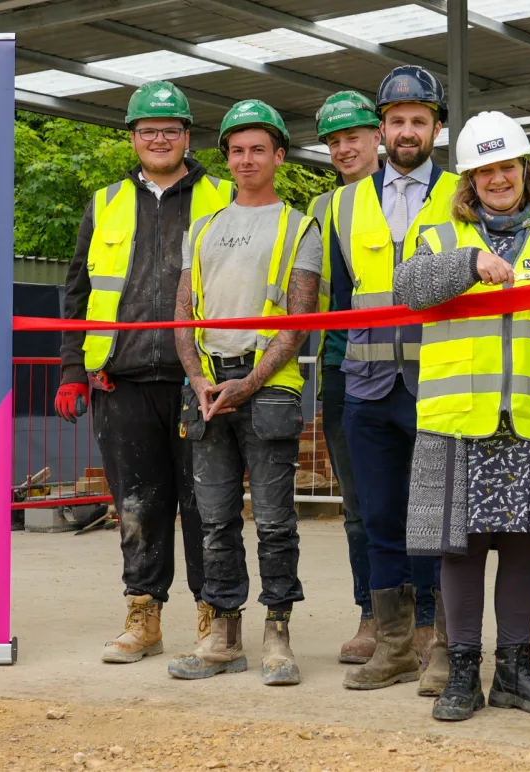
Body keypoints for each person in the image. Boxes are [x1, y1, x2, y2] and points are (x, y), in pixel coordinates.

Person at [398, 111, 530, 722]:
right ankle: (462, 667)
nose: (497, 179)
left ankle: (513, 668)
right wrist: (469, 265)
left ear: (525, 171)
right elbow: (409, 288)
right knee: (460, 549)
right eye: (484, 170)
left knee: (520, 544)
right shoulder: (438, 237)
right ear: (469, 180)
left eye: (506, 166)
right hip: (461, 417)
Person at [56, 81, 234, 664]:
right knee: (137, 505)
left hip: (199, 381)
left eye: (171, 129)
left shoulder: (222, 197)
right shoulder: (104, 201)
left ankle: (214, 617)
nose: (159, 138)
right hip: (121, 378)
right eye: (148, 130)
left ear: (187, 136)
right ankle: (143, 617)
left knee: (206, 506)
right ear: (132, 138)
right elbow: (77, 292)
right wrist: (69, 372)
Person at [167, 100, 320, 685]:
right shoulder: (202, 227)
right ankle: (222, 633)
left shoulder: (297, 225)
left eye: (258, 149)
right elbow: (183, 312)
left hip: (269, 390)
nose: (246, 159)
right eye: (237, 150)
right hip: (207, 391)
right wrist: (199, 378)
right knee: (214, 521)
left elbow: (298, 318)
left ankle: (276, 632)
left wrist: (249, 382)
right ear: (226, 158)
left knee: (277, 521)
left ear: (279, 156)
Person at [328, 65, 456, 695]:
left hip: (440, 382)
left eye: (419, 120)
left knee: (434, 517)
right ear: (381, 129)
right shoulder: (344, 204)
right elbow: (331, 298)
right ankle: (395, 643)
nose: (407, 131)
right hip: (369, 385)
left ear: (437, 127)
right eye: (397, 121)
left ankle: (435, 638)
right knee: (379, 515)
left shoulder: (462, 194)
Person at [307, 91, 383, 664]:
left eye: (352, 136)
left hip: (421, 367)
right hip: (344, 368)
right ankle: (375, 614)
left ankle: (430, 616)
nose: (342, 149)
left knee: (423, 500)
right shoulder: (323, 207)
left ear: (378, 135)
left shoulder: (433, 194)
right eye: (333, 142)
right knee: (360, 504)